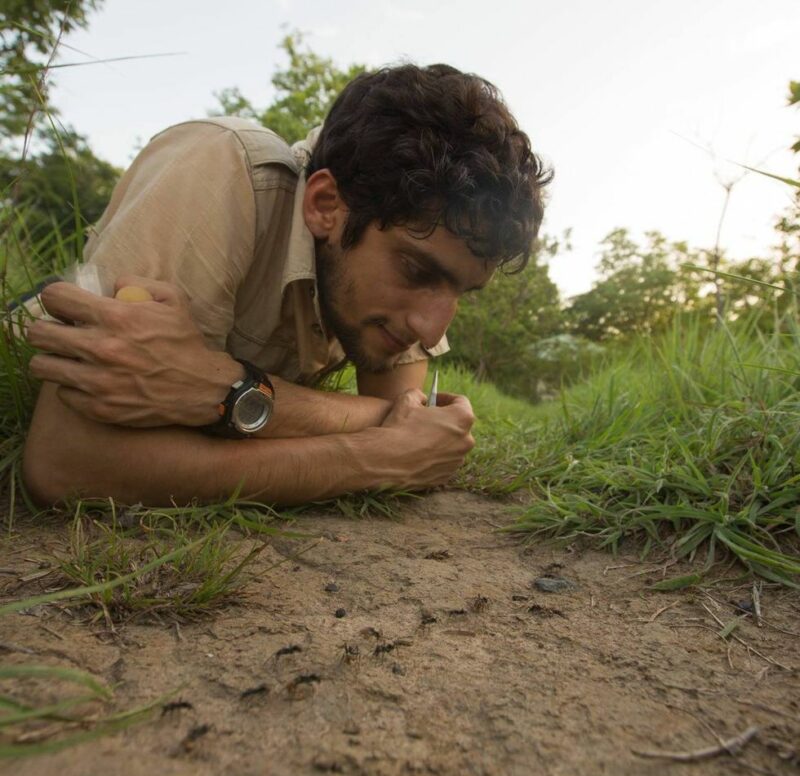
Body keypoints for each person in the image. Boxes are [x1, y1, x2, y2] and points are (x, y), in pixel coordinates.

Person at [22, 63, 550, 507]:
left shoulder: (405, 275)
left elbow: (402, 413)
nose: (429, 326)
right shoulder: (220, 166)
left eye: (460, 291)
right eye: (416, 271)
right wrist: (368, 458)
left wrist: (226, 389)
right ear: (326, 206)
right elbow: (68, 461)